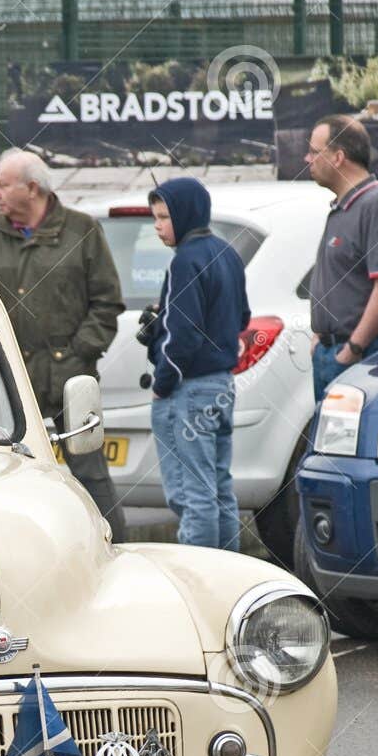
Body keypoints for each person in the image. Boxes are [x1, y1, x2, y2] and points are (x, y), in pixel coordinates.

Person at [0, 148, 127, 540]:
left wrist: (76, 355)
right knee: (7, 471)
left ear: (32, 188)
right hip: (7, 382)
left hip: (71, 381)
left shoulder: (82, 231)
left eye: (2, 185)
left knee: (91, 474)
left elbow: (106, 303)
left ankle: (119, 547)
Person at [145, 177, 248, 552]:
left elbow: (181, 338)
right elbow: (241, 317)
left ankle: (199, 580)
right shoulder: (228, 254)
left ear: (186, 215)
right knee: (220, 488)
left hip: (187, 392)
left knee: (192, 495)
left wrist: (161, 383)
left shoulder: (184, 263)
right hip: (221, 386)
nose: (156, 226)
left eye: (162, 217)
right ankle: (232, 575)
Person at [305, 114, 378, 402]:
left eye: (315, 152)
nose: (307, 159)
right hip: (333, 354)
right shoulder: (343, 207)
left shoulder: (376, 205)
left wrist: (353, 348)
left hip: (364, 356)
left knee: (352, 443)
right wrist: (320, 339)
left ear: (338, 157)